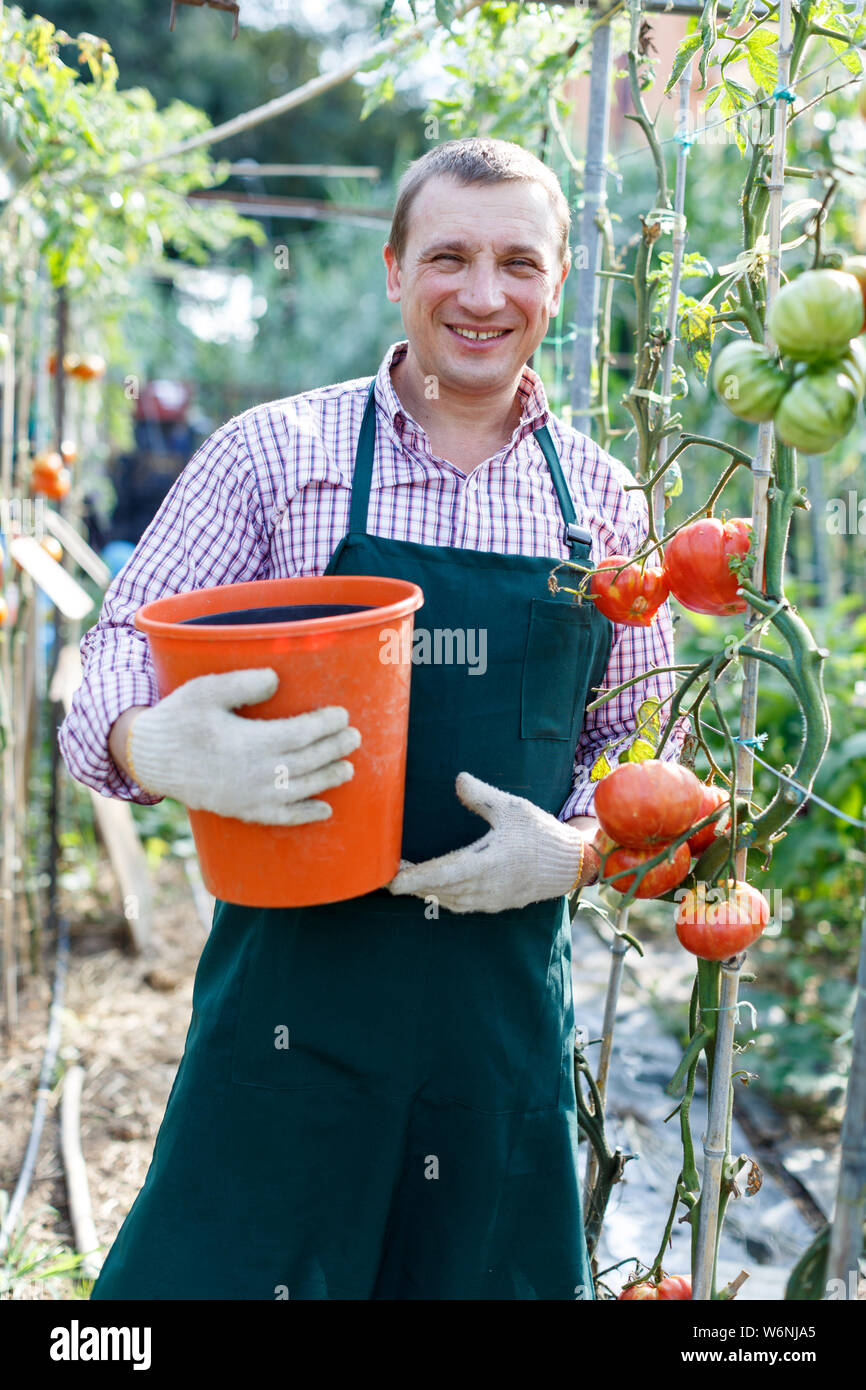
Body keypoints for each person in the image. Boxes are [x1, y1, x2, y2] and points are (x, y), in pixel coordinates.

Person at [59, 136, 686, 1301]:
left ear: (557, 282)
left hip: (493, 1040)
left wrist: (580, 850)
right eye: (448, 255)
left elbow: (647, 746)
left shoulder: (600, 504)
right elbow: (112, 656)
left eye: (517, 263)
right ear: (397, 268)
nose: (482, 294)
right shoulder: (274, 458)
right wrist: (155, 742)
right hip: (286, 1020)